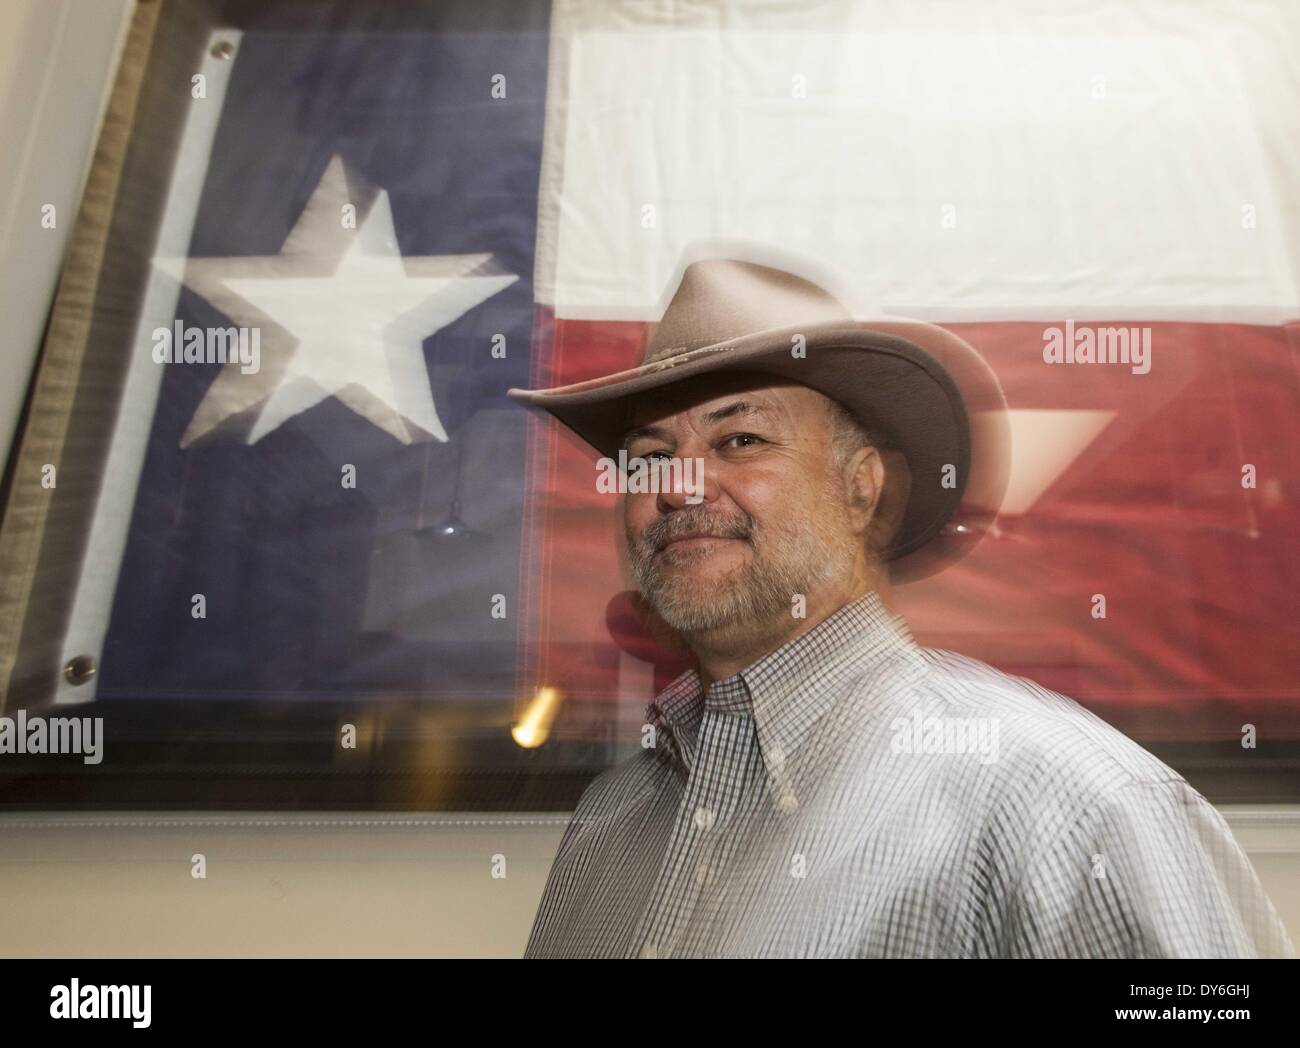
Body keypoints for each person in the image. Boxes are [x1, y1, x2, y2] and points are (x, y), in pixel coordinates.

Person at [507, 257, 1294, 958]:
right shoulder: (608, 824)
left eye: (741, 440)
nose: (677, 487)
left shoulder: (1069, 808)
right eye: (648, 459)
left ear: (861, 487)